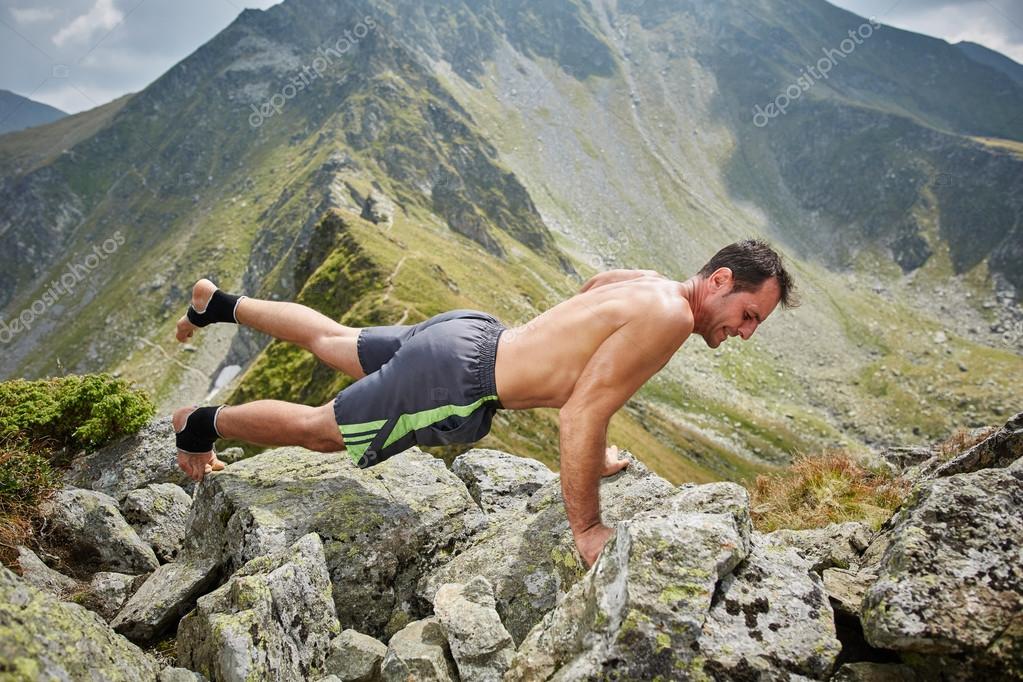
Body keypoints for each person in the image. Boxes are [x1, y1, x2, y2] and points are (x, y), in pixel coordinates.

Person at [173, 239, 796, 567]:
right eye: (747, 315)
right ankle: (198, 426)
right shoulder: (667, 322)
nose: (743, 331)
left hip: (473, 332)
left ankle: (218, 304)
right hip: (458, 377)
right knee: (320, 431)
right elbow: (583, 410)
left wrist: (549, 361)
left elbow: (594, 292)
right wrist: (586, 527)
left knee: (332, 337)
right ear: (719, 282)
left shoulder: (652, 286)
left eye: (755, 325)